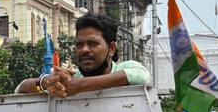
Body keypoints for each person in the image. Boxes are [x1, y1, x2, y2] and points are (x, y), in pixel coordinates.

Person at [16, 13, 152, 98]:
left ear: (111, 49)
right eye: (79, 44)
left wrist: (81, 85)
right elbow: (21, 89)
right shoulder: (69, 79)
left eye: (92, 43)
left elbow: (142, 76)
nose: (84, 50)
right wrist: (46, 82)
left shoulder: (125, 68)